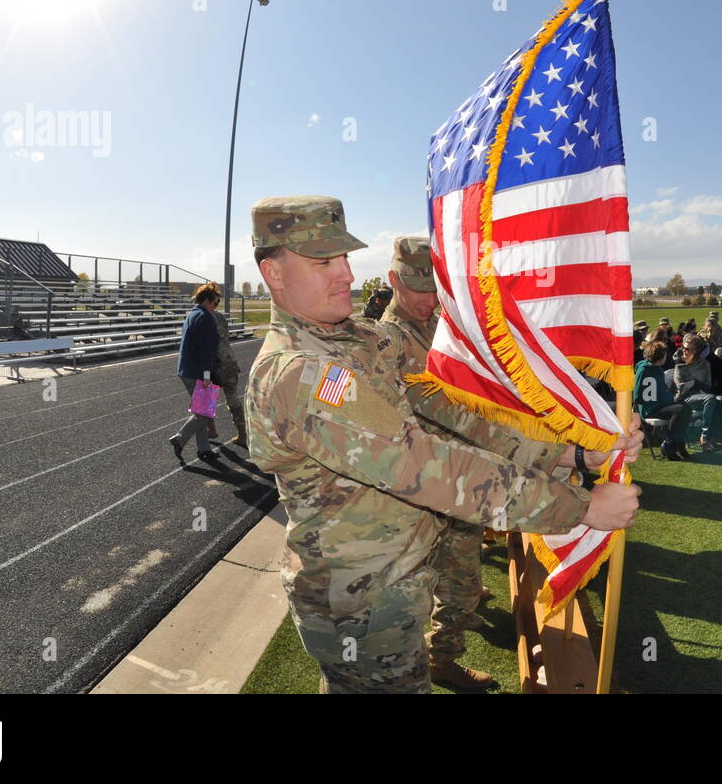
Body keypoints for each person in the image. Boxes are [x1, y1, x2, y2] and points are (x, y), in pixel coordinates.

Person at [245, 196, 643, 694]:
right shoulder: (299, 375)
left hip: (389, 587)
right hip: (360, 608)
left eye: (345, 258)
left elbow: (455, 413)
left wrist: (571, 453)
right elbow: (423, 463)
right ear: (273, 274)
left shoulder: (360, 342)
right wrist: (580, 507)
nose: (345, 274)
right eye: (323, 262)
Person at [375, 235, 492, 689]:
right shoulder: (388, 342)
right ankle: (438, 657)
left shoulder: (438, 325)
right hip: (422, 491)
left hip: (457, 481)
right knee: (422, 594)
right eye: (416, 286)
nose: (428, 298)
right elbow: (447, 412)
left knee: (461, 579)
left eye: (435, 286)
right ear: (392, 280)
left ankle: (444, 649)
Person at [169, 283, 221, 465]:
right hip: (198, 371)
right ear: (207, 299)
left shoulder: (192, 314)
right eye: (216, 302)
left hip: (186, 370)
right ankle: (180, 438)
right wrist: (207, 375)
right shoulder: (206, 318)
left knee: (201, 409)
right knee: (205, 412)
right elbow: (207, 350)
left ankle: (204, 448)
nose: (217, 306)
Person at [634, 339, 690, 460]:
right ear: (660, 357)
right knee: (680, 410)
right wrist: (635, 411)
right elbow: (637, 395)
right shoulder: (643, 370)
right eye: (665, 355)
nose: (666, 357)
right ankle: (669, 444)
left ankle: (678, 443)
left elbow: (662, 392)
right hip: (650, 409)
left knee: (686, 408)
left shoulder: (657, 370)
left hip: (661, 405)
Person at [210, 293, 248, 448]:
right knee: (232, 397)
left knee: (207, 397)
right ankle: (242, 432)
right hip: (230, 359)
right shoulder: (221, 317)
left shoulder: (207, 318)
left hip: (215, 362)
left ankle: (211, 429)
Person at [672, 333, 719, 452]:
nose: (684, 351)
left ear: (696, 351)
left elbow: (708, 386)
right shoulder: (680, 366)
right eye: (683, 348)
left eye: (688, 349)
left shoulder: (705, 364)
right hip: (685, 398)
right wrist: (694, 384)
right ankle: (705, 437)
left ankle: (713, 435)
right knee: (711, 398)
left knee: (720, 400)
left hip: (703, 396)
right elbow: (681, 388)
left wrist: (694, 383)